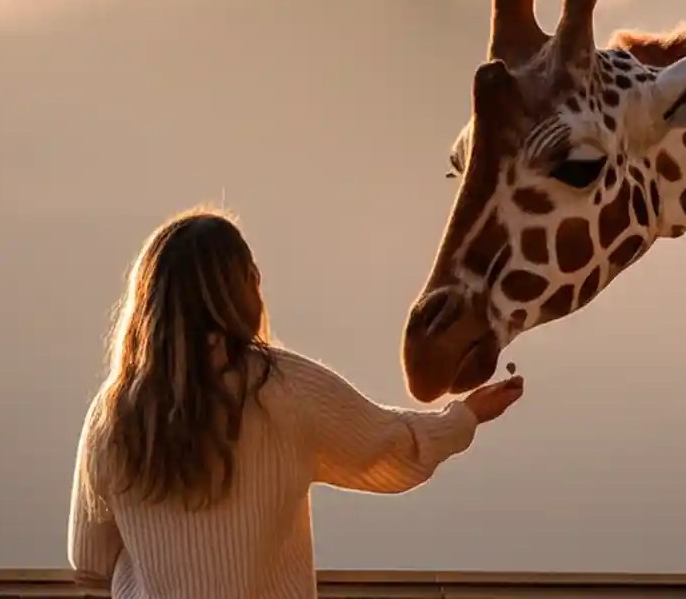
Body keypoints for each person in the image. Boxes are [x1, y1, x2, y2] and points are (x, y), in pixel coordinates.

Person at [67, 206, 525, 599]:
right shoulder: (283, 389)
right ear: (243, 286)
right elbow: (392, 448)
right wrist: (465, 415)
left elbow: (89, 560)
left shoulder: (113, 413)